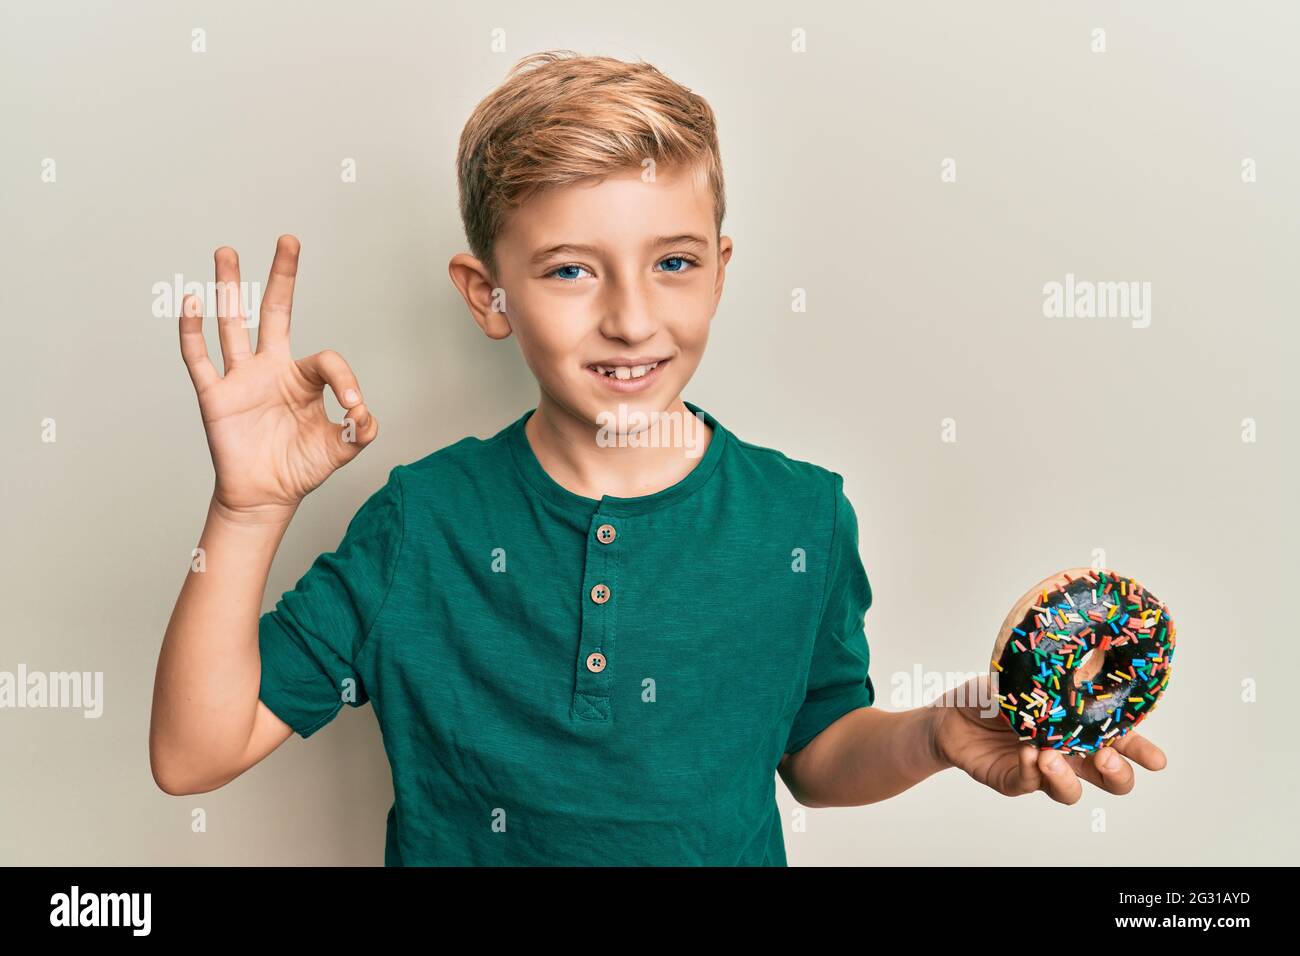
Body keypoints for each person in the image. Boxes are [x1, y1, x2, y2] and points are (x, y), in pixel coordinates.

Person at [149, 50, 1166, 866]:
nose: (632, 318)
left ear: (720, 271)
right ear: (485, 293)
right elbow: (196, 751)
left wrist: (937, 733)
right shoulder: (422, 520)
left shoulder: (803, 516)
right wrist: (245, 510)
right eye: (569, 270)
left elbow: (815, 752)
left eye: (672, 262)